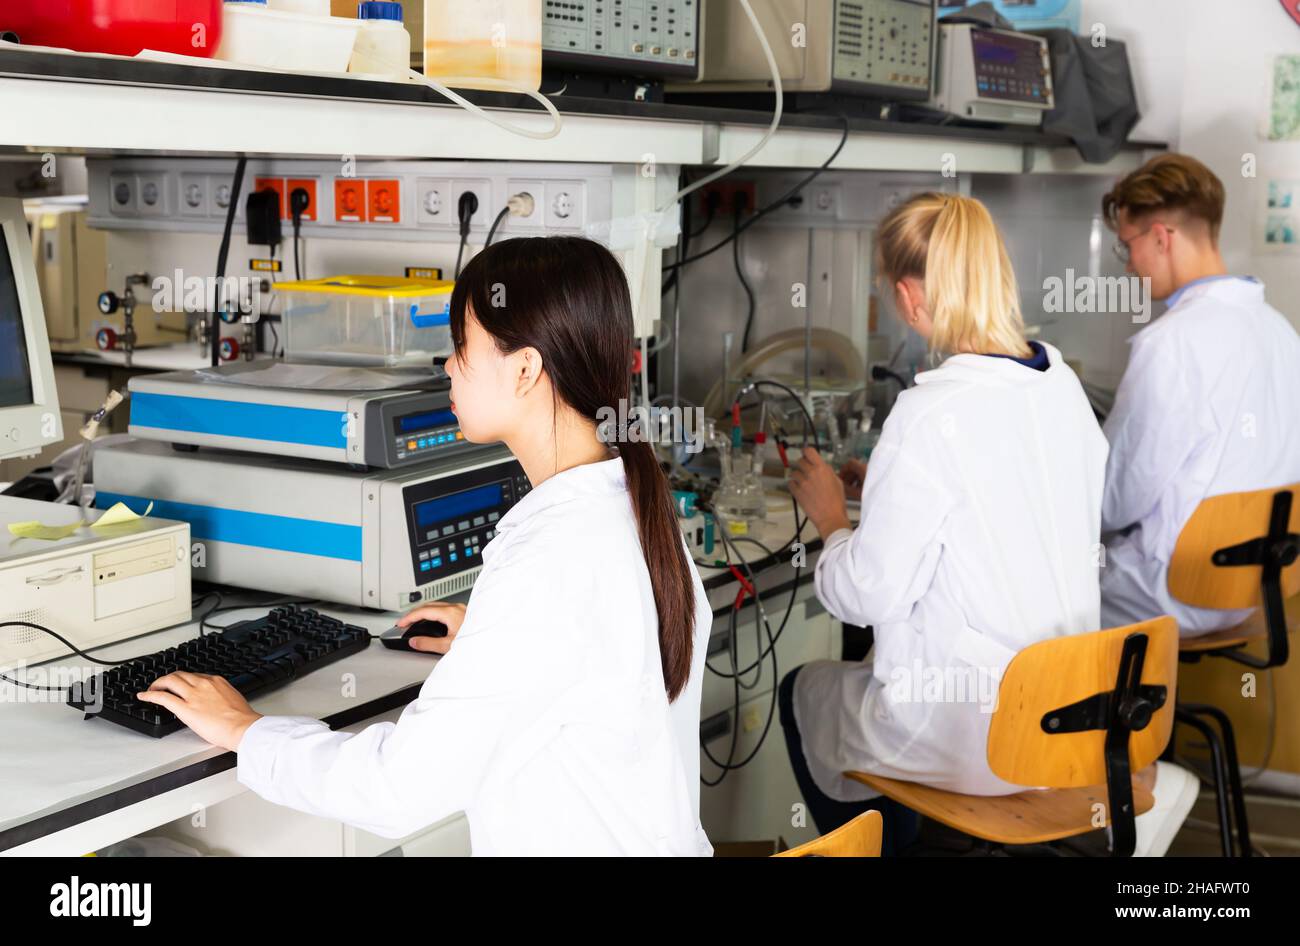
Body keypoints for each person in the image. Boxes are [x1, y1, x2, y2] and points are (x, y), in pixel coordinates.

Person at [136, 236, 715, 856]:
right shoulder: (629, 501)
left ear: (525, 369)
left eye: (460, 348)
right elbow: (596, 656)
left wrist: (245, 731)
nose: (447, 367)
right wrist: (488, 636)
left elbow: (396, 789)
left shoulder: (551, 557)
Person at [784, 193, 1108, 843]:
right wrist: (890, 493)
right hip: (1073, 712)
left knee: (804, 693)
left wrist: (830, 521)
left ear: (908, 297)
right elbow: (1016, 507)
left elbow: (865, 596)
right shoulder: (1059, 382)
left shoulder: (929, 412)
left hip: (978, 730)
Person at [1098, 153, 1300, 636]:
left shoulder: (1170, 343)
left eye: (1127, 246)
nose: (1129, 267)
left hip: (1177, 590)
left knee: (1032, 596)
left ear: (1161, 237)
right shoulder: (1280, 330)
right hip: (1262, 584)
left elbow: (1113, 501)